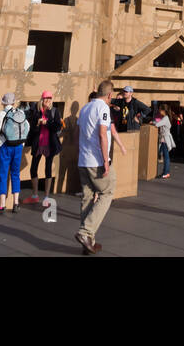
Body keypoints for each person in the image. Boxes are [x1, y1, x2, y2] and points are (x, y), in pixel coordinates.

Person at [75, 80, 122, 254]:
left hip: (83, 160)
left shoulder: (85, 108)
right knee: (107, 192)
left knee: (87, 198)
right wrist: (105, 161)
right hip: (96, 161)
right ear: (110, 95)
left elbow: (76, 134)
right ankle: (86, 232)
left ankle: (88, 243)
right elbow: (103, 135)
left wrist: (79, 154)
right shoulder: (103, 108)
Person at [0, 92, 29, 213]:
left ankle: (2, 204)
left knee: (3, 174)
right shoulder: (21, 112)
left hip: (5, 146)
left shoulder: (2, 114)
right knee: (15, 174)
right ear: (13, 102)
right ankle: (16, 203)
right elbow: (26, 127)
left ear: (3, 102)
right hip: (18, 146)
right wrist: (21, 143)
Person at [23, 91, 62, 204]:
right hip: (38, 144)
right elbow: (32, 129)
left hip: (50, 144)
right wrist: (38, 124)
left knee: (48, 169)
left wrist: (47, 123)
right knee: (33, 168)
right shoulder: (35, 111)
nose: (48, 100)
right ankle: (35, 195)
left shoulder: (55, 111)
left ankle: (46, 197)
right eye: (46, 98)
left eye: (49, 98)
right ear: (42, 99)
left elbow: (57, 127)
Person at [153, 106, 174, 179]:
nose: (159, 111)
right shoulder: (165, 118)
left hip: (165, 139)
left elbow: (157, 124)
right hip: (164, 139)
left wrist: (153, 122)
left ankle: (166, 172)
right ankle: (165, 172)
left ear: (163, 111)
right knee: (163, 155)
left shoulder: (165, 118)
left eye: (160, 110)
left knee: (166, 157)